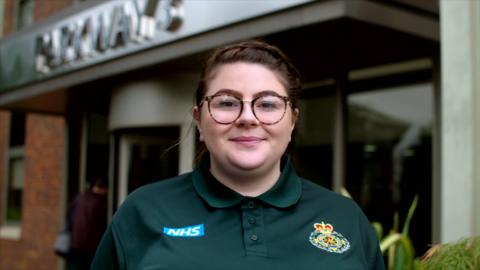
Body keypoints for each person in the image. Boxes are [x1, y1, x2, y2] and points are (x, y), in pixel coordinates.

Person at [91, 40, 385, 269]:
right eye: (227, 103)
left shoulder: (345, 219)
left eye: (267, 104)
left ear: (292, 121)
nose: (247, 117)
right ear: (199, 120)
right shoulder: (142, 212)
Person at [67, 177, 108, 270]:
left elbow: (69, 217)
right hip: (90, 246)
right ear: (103, 189)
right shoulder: (99, 203)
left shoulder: (79, 197)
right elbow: (101, 226)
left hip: (75, 242)